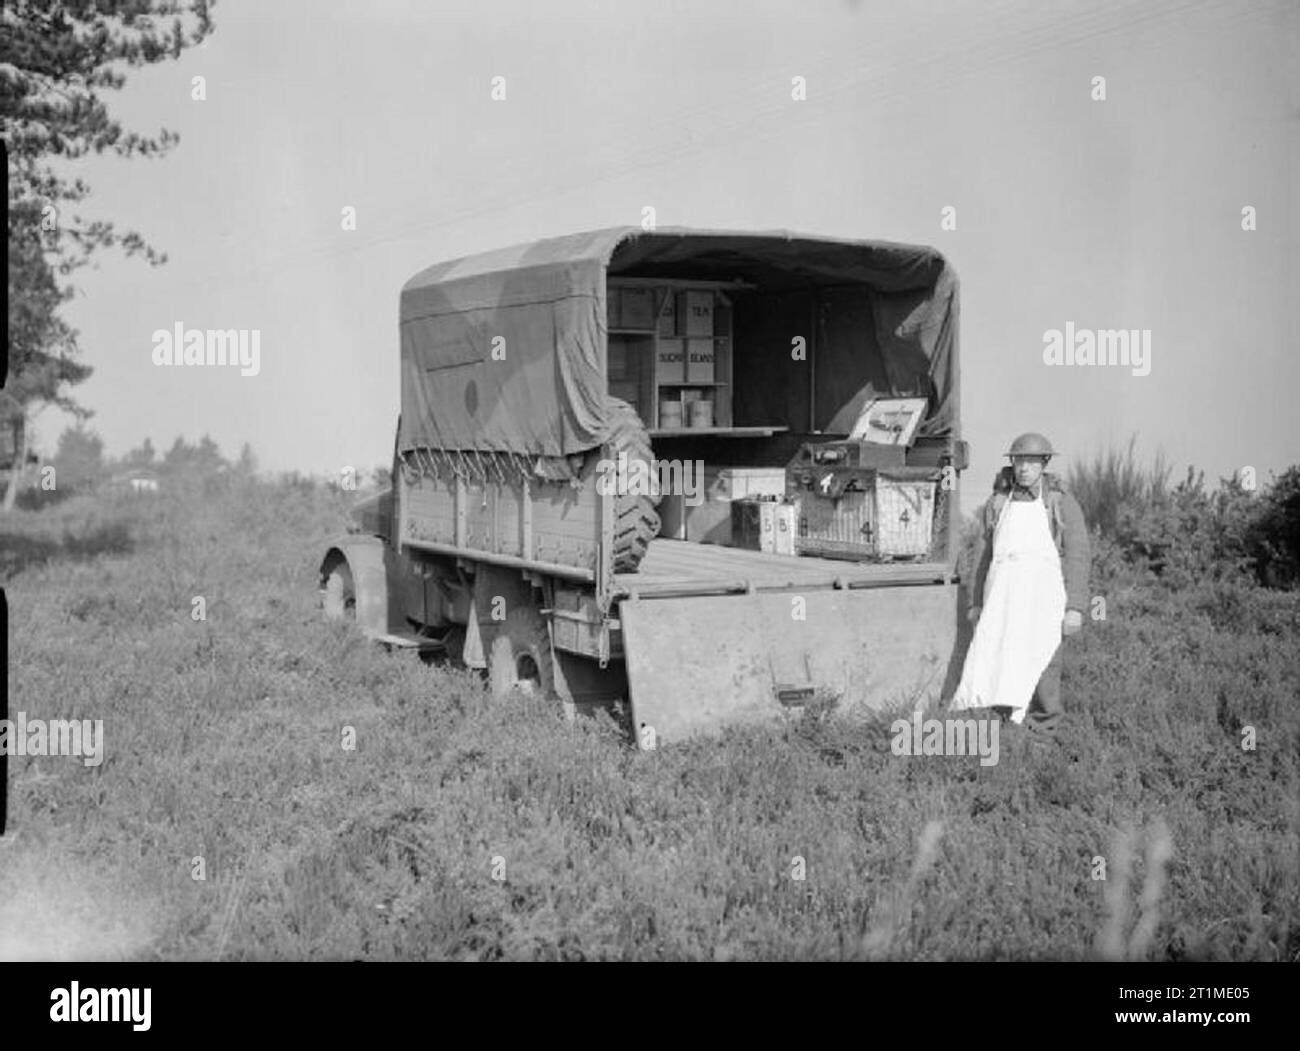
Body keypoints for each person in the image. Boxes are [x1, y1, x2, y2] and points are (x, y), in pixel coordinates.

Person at [950, 432, 1090, 734]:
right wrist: (976, 602)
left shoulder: (1061, 502)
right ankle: (1005, 730)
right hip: (1002, 598)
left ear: (1044, 463)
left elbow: (1079, 556)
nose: (1024, 468)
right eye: (1019, 461)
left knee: (1044, 665)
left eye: (1032, 461)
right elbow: (983, 557)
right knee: (999, 658)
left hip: (1044, 600)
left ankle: (1044, 732)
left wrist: (1075, 607)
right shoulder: (998, 503)